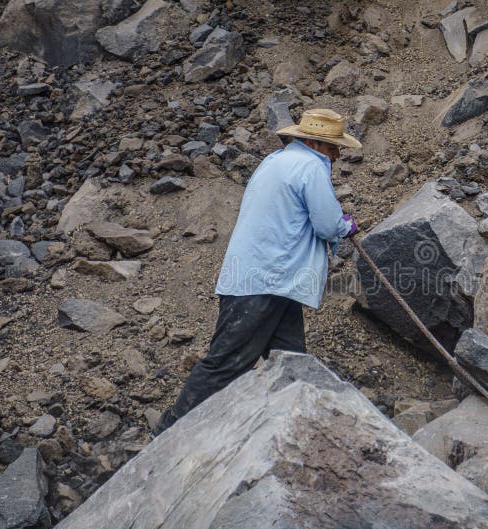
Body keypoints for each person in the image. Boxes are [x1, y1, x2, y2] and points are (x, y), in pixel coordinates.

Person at [153, 109, 361, 435]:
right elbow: (325, 223)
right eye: (334, 147)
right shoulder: (311, 166)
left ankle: (294, 431)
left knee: (291, 361)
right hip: (268, 279)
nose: (337, 155)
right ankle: (169, 431)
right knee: (226, 362)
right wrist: (344, 225)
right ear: (314, 143)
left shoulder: (275, 161)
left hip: (266, 278)